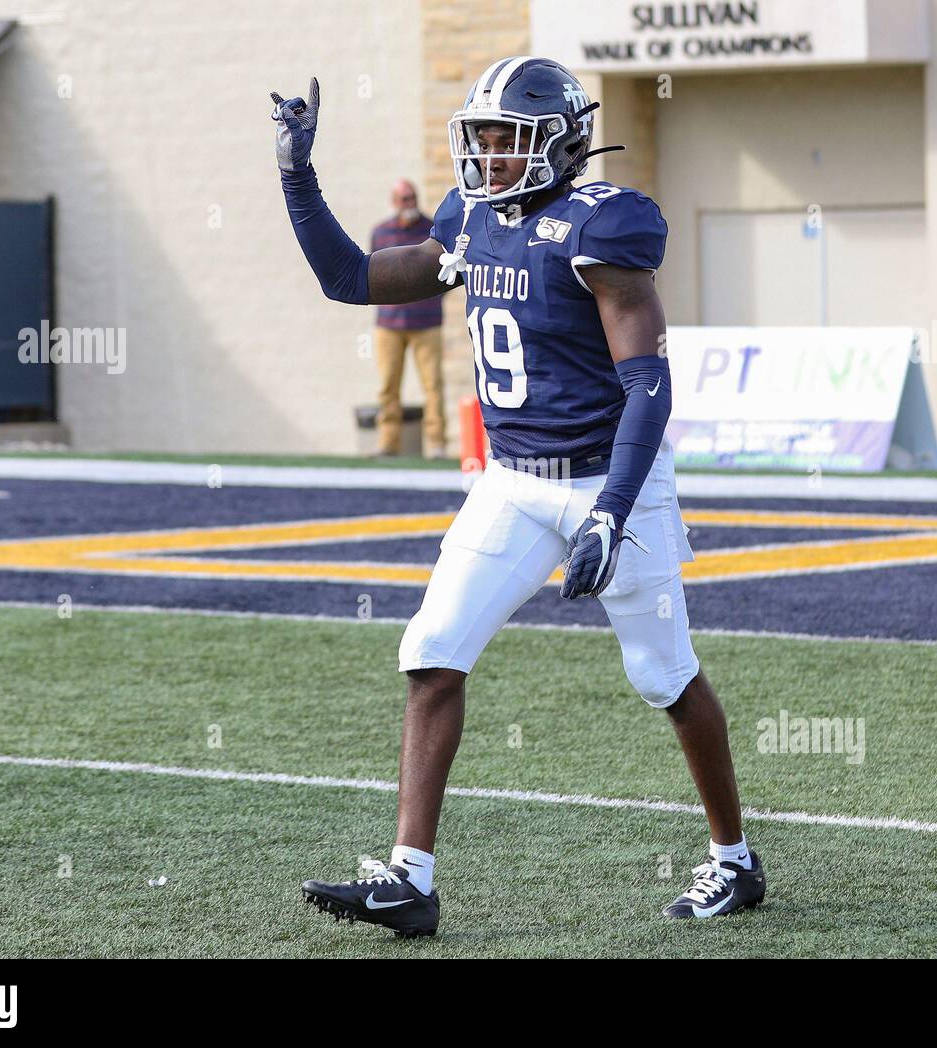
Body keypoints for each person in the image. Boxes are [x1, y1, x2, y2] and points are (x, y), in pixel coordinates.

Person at [270, 56, 764, 939]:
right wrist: (297, 177)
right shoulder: (468, 221)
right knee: (431, 653)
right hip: (510, 482)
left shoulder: (602, 225)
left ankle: (735, 860)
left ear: (563, 142)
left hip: (614, 479)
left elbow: (649, 385)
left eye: (511, 141)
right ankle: (409, 880)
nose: (492, 158)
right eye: (483, 140)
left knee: (663, 675)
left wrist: (613, 511)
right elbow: (348, 277)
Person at [370, 180, 447, 459]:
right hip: (389, 323)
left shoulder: (432, 229)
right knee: (387, 386)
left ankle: (437, 444)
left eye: (412, 197)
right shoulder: (380, 232)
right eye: (403, 198)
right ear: (394, 201)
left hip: (426, 321)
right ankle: (388, 444)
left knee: (433, 385)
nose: (409, 203)